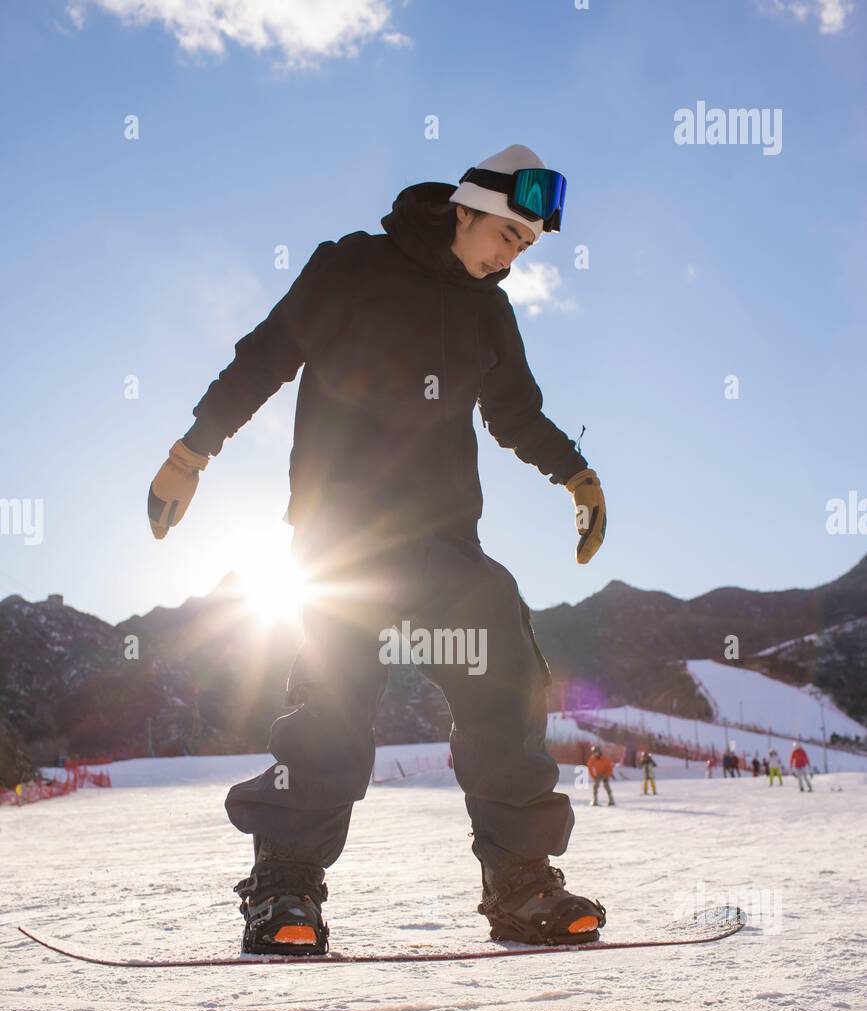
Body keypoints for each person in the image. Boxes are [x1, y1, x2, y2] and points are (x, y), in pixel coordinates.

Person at [147, 145, 608, 957]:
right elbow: (265, 356)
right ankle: (285, 881)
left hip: (446, 545)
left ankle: (519, 880)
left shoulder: (487, 311)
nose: (510, 256)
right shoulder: (352, 266)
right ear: (463, 208)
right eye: (504, 235)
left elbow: (512, 413)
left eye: (524, 248)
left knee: (506, 683)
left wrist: (575, 474)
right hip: (345, 536)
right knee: (332, 700)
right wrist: (192, 452)